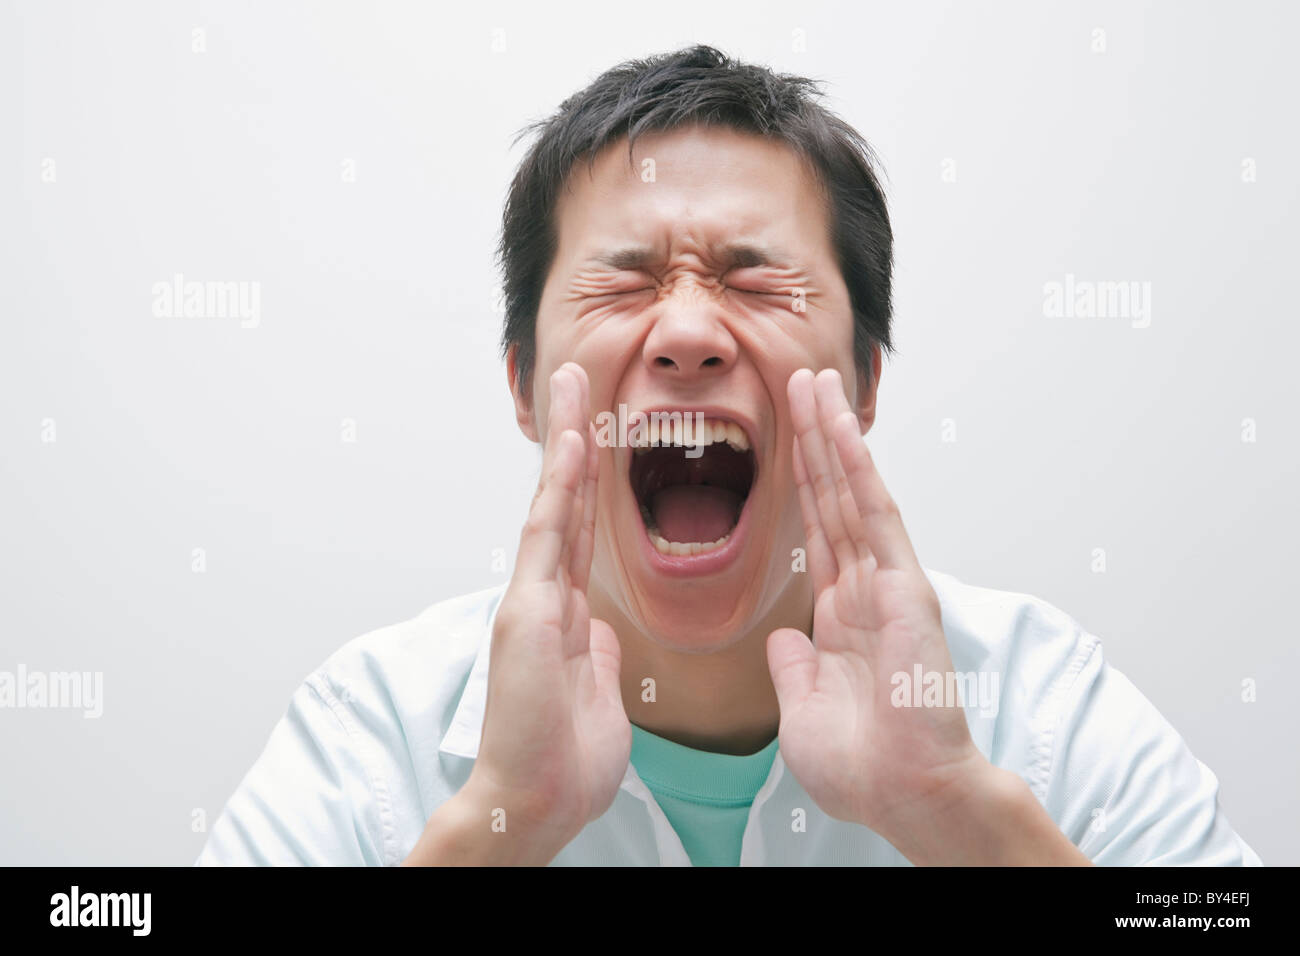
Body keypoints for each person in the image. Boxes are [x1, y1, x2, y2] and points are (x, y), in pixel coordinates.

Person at [196, 45, 1260, 866]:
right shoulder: (371, 729)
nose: (690, 332)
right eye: (623, 279)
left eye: (757, 278)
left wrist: (958, 816)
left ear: (866, 382)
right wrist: (491, 828)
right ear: (523, 384)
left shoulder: (1042, 701)